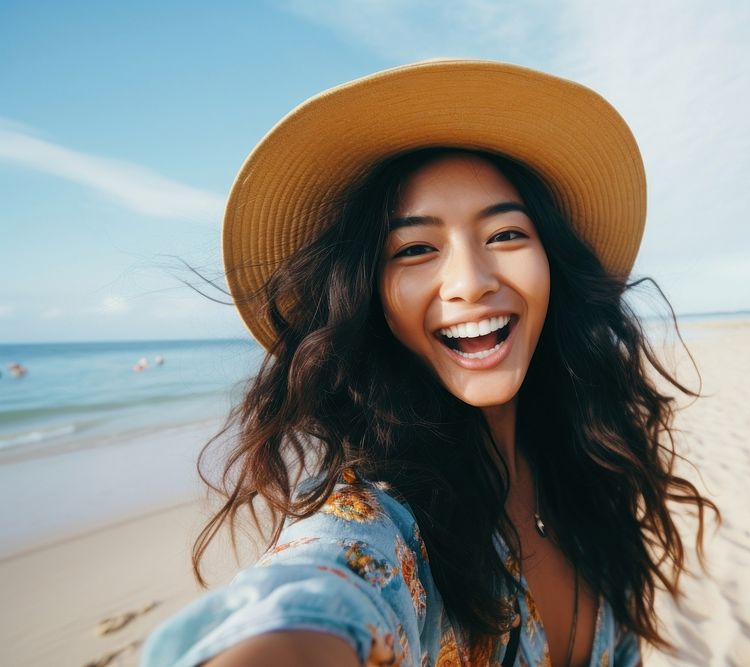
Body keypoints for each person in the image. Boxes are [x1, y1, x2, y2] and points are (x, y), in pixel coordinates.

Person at [141, 59, 718, 667]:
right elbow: (312, 601)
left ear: (553, 265)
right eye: (415, 249)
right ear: (369, 298)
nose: (469, 282)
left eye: (506, 235)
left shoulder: (587, 463)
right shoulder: (378, 523)